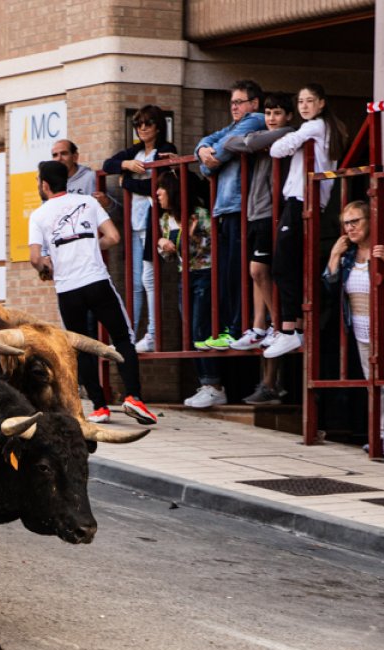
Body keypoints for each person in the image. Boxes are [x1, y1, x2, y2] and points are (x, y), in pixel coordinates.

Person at [28, 160, 156, 425]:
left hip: (67, 290)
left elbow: (34, 258)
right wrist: (92, 247)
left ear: (45, 184)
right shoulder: (88, 202)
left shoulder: (39, 215)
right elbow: (114, 237)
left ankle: (99, 408)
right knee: (122, 337)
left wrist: (47, 266)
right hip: (97, 282)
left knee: (81, 347)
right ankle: (133, 397)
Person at [265, 83, 348, 358]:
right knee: (293, 265)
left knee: (282, 265)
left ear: (322, 103)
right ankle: (295, 328)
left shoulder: (314, 127)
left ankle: (290, 330)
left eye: (309, 101)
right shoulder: (323, 128)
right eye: (300, 101)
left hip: (301, 200)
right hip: (308, 201)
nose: (303, 106)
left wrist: (287, 138)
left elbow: (278, 149)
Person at [221, 92, 296, 354]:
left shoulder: (287, 132)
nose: (272, 118)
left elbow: (245, 144)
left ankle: (279, 327)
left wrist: (252, 141)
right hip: (255, 212)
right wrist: (250, 141)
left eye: (277, 113)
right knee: (257, 273)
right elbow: (230, 142)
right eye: (268, 113)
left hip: (270, 213)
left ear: (288, 116)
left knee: (259, 271)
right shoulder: (267, 135)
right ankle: (258, 327)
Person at [194, 80, 266, 350]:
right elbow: (210, 143)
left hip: (240, 207)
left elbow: (223, 150)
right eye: (232, 103)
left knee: (236, 273)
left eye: (239, 102)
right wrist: (203, 151)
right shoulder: (235, 126)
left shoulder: (256, 119)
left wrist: (211, 157)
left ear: (254, 103)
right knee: (224, 273)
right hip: (226, 208)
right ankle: (230, 327)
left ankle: (237, 328)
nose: (234, 107)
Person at [102, 105, 177, 353]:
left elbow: (156, 187)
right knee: (134, 282)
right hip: (134, 224)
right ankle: (129, 336)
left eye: (148, 123)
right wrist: (125, 164)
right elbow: (108, 164)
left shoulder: (166, 150)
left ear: (158, 126)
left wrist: (128, 181)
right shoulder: (135, 151)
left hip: (152, 221)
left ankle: (153, 334)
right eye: (138, 124)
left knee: (149, 279)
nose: (143, 128)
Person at [153, 171, 225, 407]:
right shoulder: (166, 220)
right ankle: (205, 384)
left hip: (205, 274)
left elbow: (207, 251)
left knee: (201, 328)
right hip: (186, 275)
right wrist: (163, 248)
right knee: (190, 330)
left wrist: (185, 241)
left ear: (173, 190)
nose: (158, 194)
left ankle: (214, 385)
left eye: (162, 188)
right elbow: (171, 258)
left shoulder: (201, 216)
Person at [322, 201, 384, 449]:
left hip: (382, 329)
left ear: (370, 221)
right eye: (346, 223)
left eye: (355, 221)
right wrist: (335, 255)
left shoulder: (380, 251)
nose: (350, 228)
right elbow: (330, 285)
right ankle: (379, 436)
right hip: (361, 330)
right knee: (373, 385)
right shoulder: (349, 256)